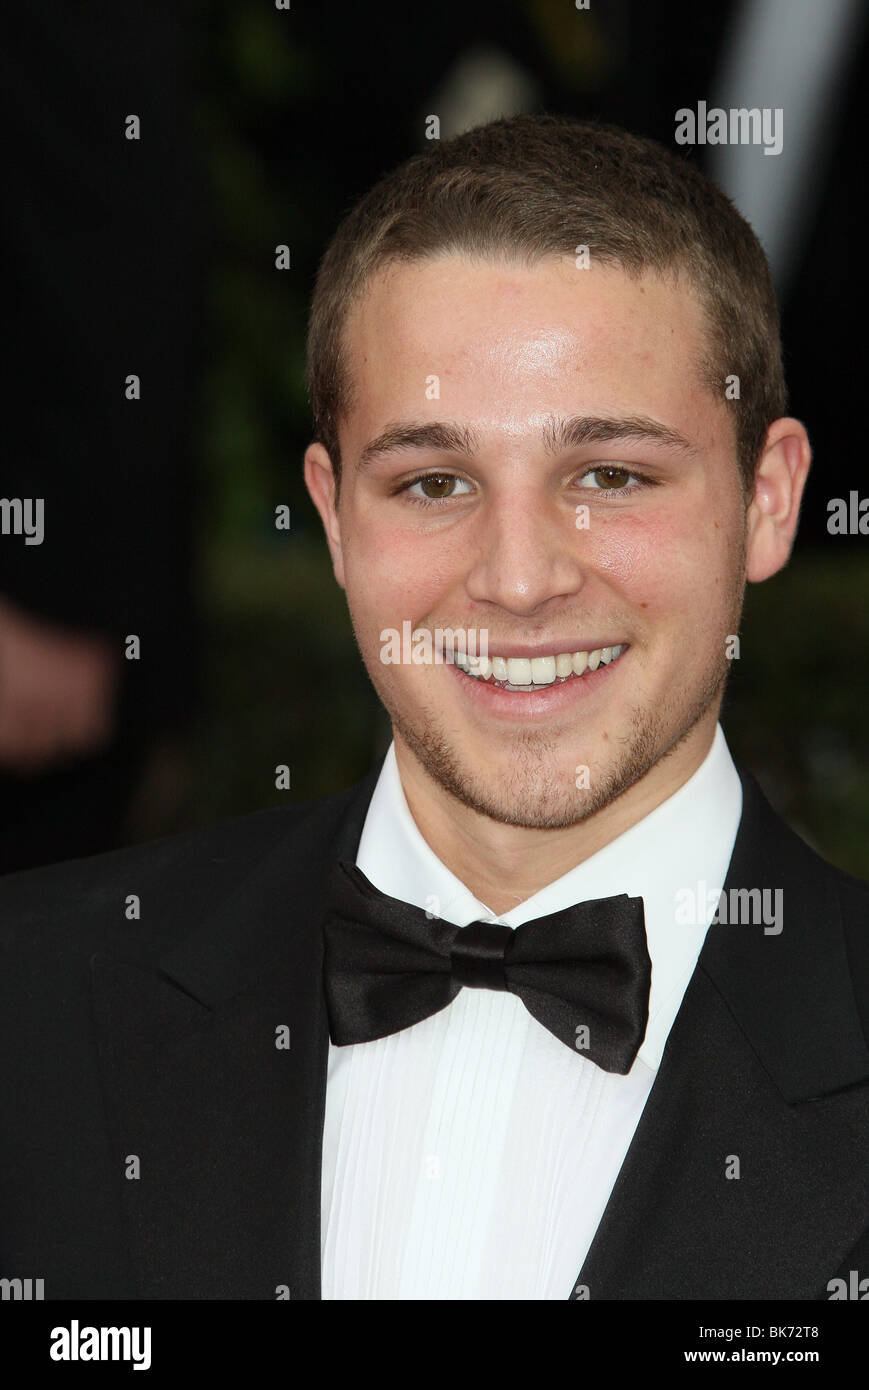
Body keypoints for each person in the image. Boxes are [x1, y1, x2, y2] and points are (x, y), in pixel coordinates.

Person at [1, 115, 867, 1302]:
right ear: (334, 514)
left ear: (767, 501)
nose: (518, 578)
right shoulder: (33, 1001)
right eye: (433, 481)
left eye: (608, 474)